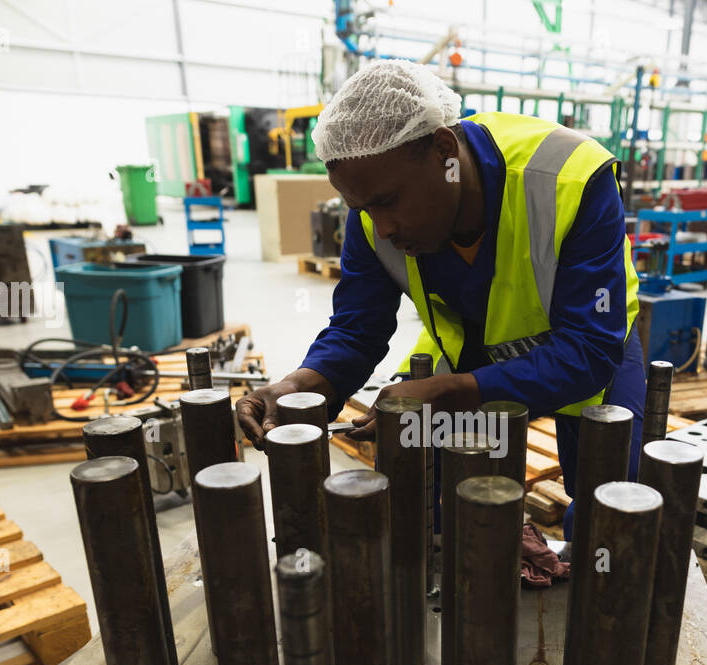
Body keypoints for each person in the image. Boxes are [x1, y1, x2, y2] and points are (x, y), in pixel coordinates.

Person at [235, 61, 645, 536]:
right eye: (364, 209)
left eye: (388, 202)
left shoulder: (568, 178)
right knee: (421, 490)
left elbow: (590, 350)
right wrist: (304, 384)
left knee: (612, 508)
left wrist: (456, 392)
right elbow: (357, 328)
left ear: (445, 151)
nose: (381, 227)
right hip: (467, 354)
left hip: (586, 348)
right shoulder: (371, 216)